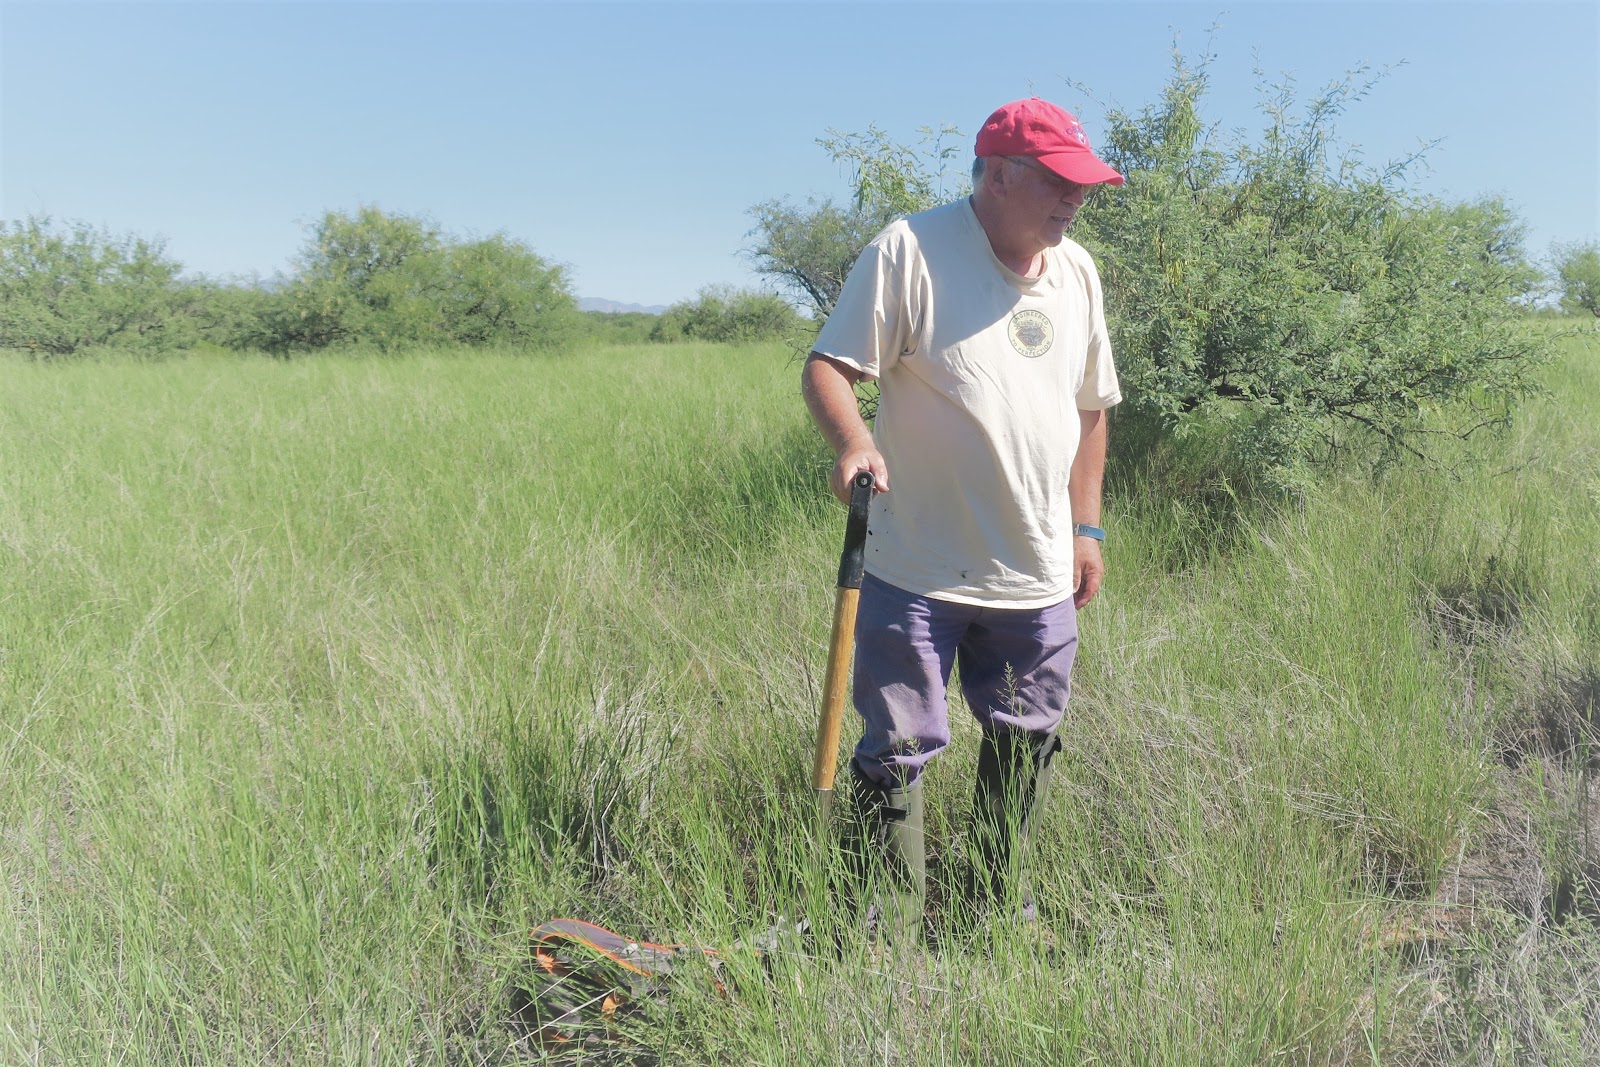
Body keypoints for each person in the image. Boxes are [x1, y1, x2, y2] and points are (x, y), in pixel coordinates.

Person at [801, 98, 1124, 943]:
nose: (1074, 200)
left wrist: (1085, 530)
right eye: (1058, 182)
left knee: (1027, 738)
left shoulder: (1076, 270)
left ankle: (994, 913)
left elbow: (1092, 411)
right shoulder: (909, 250)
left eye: (1082, 185)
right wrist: (853, 441)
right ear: (998, 174)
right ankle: (883, 930)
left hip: (1038, 569)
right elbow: (830, 367)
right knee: (899, 742)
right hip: (918, 564)